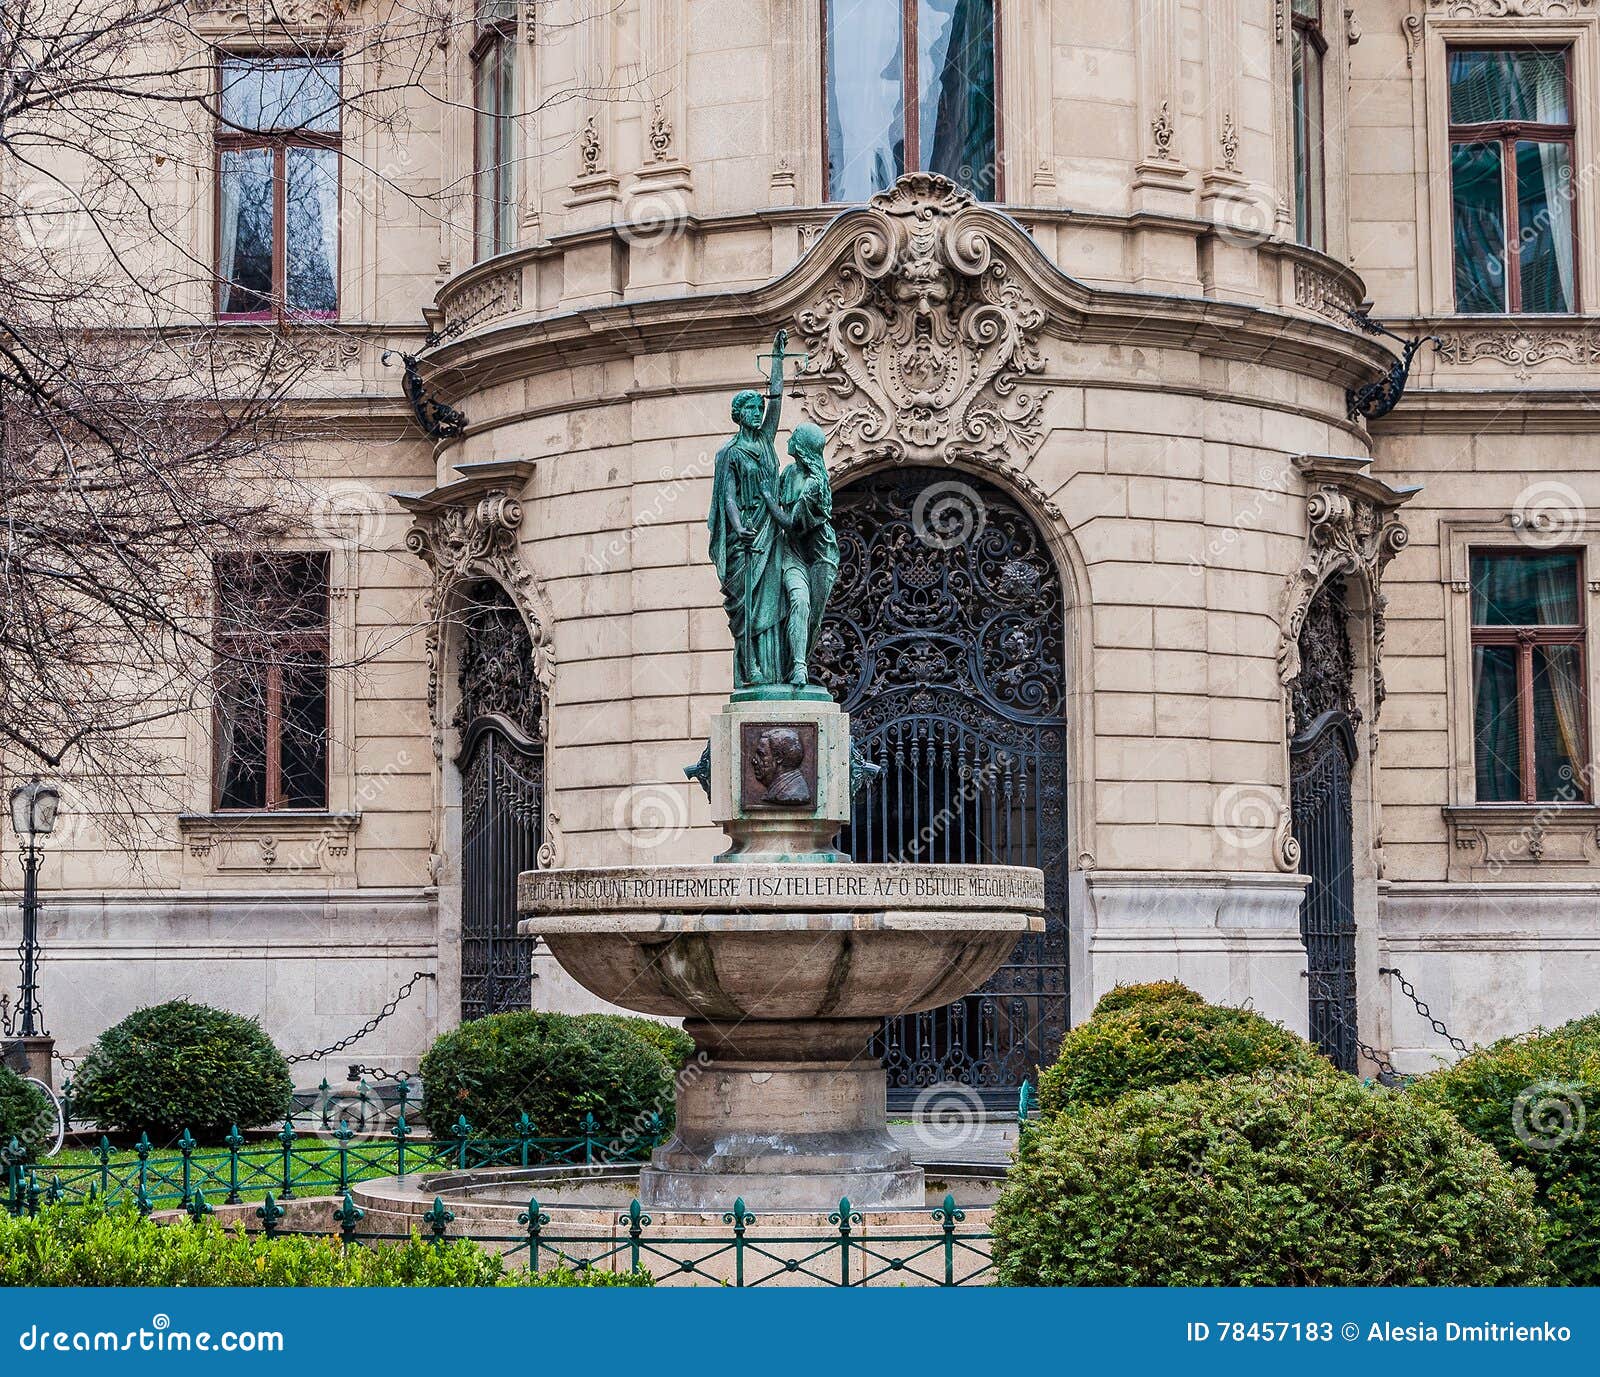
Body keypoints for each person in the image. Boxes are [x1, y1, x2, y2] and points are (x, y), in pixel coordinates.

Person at [707, 330, 788, 688]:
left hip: (771, 528)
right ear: (738, 415)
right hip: (747, 531)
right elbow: (726, 497)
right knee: (746, 604)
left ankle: (774, 668)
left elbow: (777, 400)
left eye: (758, 409)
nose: (758, 413)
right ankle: (749, 666)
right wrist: (739, 528)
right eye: (750, 409)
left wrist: (777, 361)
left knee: (773, 598)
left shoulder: (767, 440)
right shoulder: (730, 453)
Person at [762, 422, 839, 688]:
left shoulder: (815, 484)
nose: (789, 437)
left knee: (813, 619)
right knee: (799, 603)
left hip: (820, 557)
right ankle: (797, 668)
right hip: (793, 552)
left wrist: (767, 499)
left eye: (794, 435)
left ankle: (794, 663)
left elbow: (791, 522)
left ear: (803, 445)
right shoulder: (788, 474)